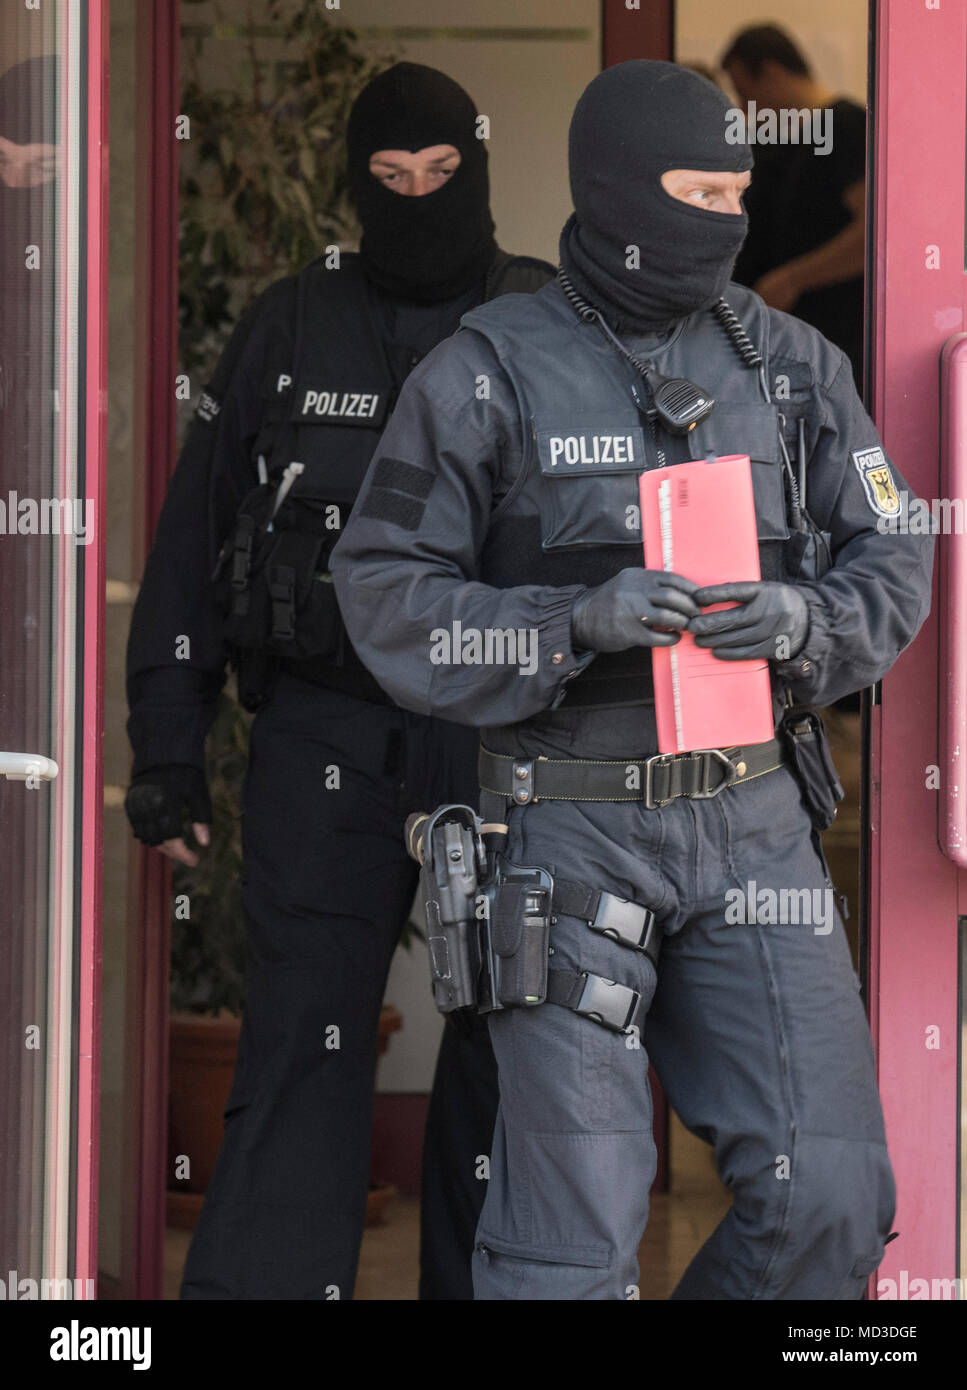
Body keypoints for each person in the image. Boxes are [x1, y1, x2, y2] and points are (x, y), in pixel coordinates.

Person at [330, 60, 933, 1300]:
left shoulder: (790, 365)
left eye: (735, 189)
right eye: (693, 188)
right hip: (562, 833)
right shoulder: (484, 367)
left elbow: (896, 549)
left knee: (828, 1196)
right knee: (571, 1243)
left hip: (758, 823)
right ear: (613, 192)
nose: (725, 217)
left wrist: (804, 618)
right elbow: (382, 589)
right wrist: (568, 621)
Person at [124, 61, 552, 1301]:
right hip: (324, 732)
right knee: (302, 1042)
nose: (418, 199)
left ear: (475, 170)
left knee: (508, 1044)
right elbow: (195, 539)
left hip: (499, 735)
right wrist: (165, 744)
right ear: (353, 184)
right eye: (389, 179)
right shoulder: (288, 323)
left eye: (440, 176)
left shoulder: (543, 319)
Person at [721, 24, 867, 388]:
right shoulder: (797, 139)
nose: (743, 107)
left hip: (838, 344)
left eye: (744, 92)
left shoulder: (846, 126)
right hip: (798, 341)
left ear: (771, 71)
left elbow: (873, 234)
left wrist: (791, 279)